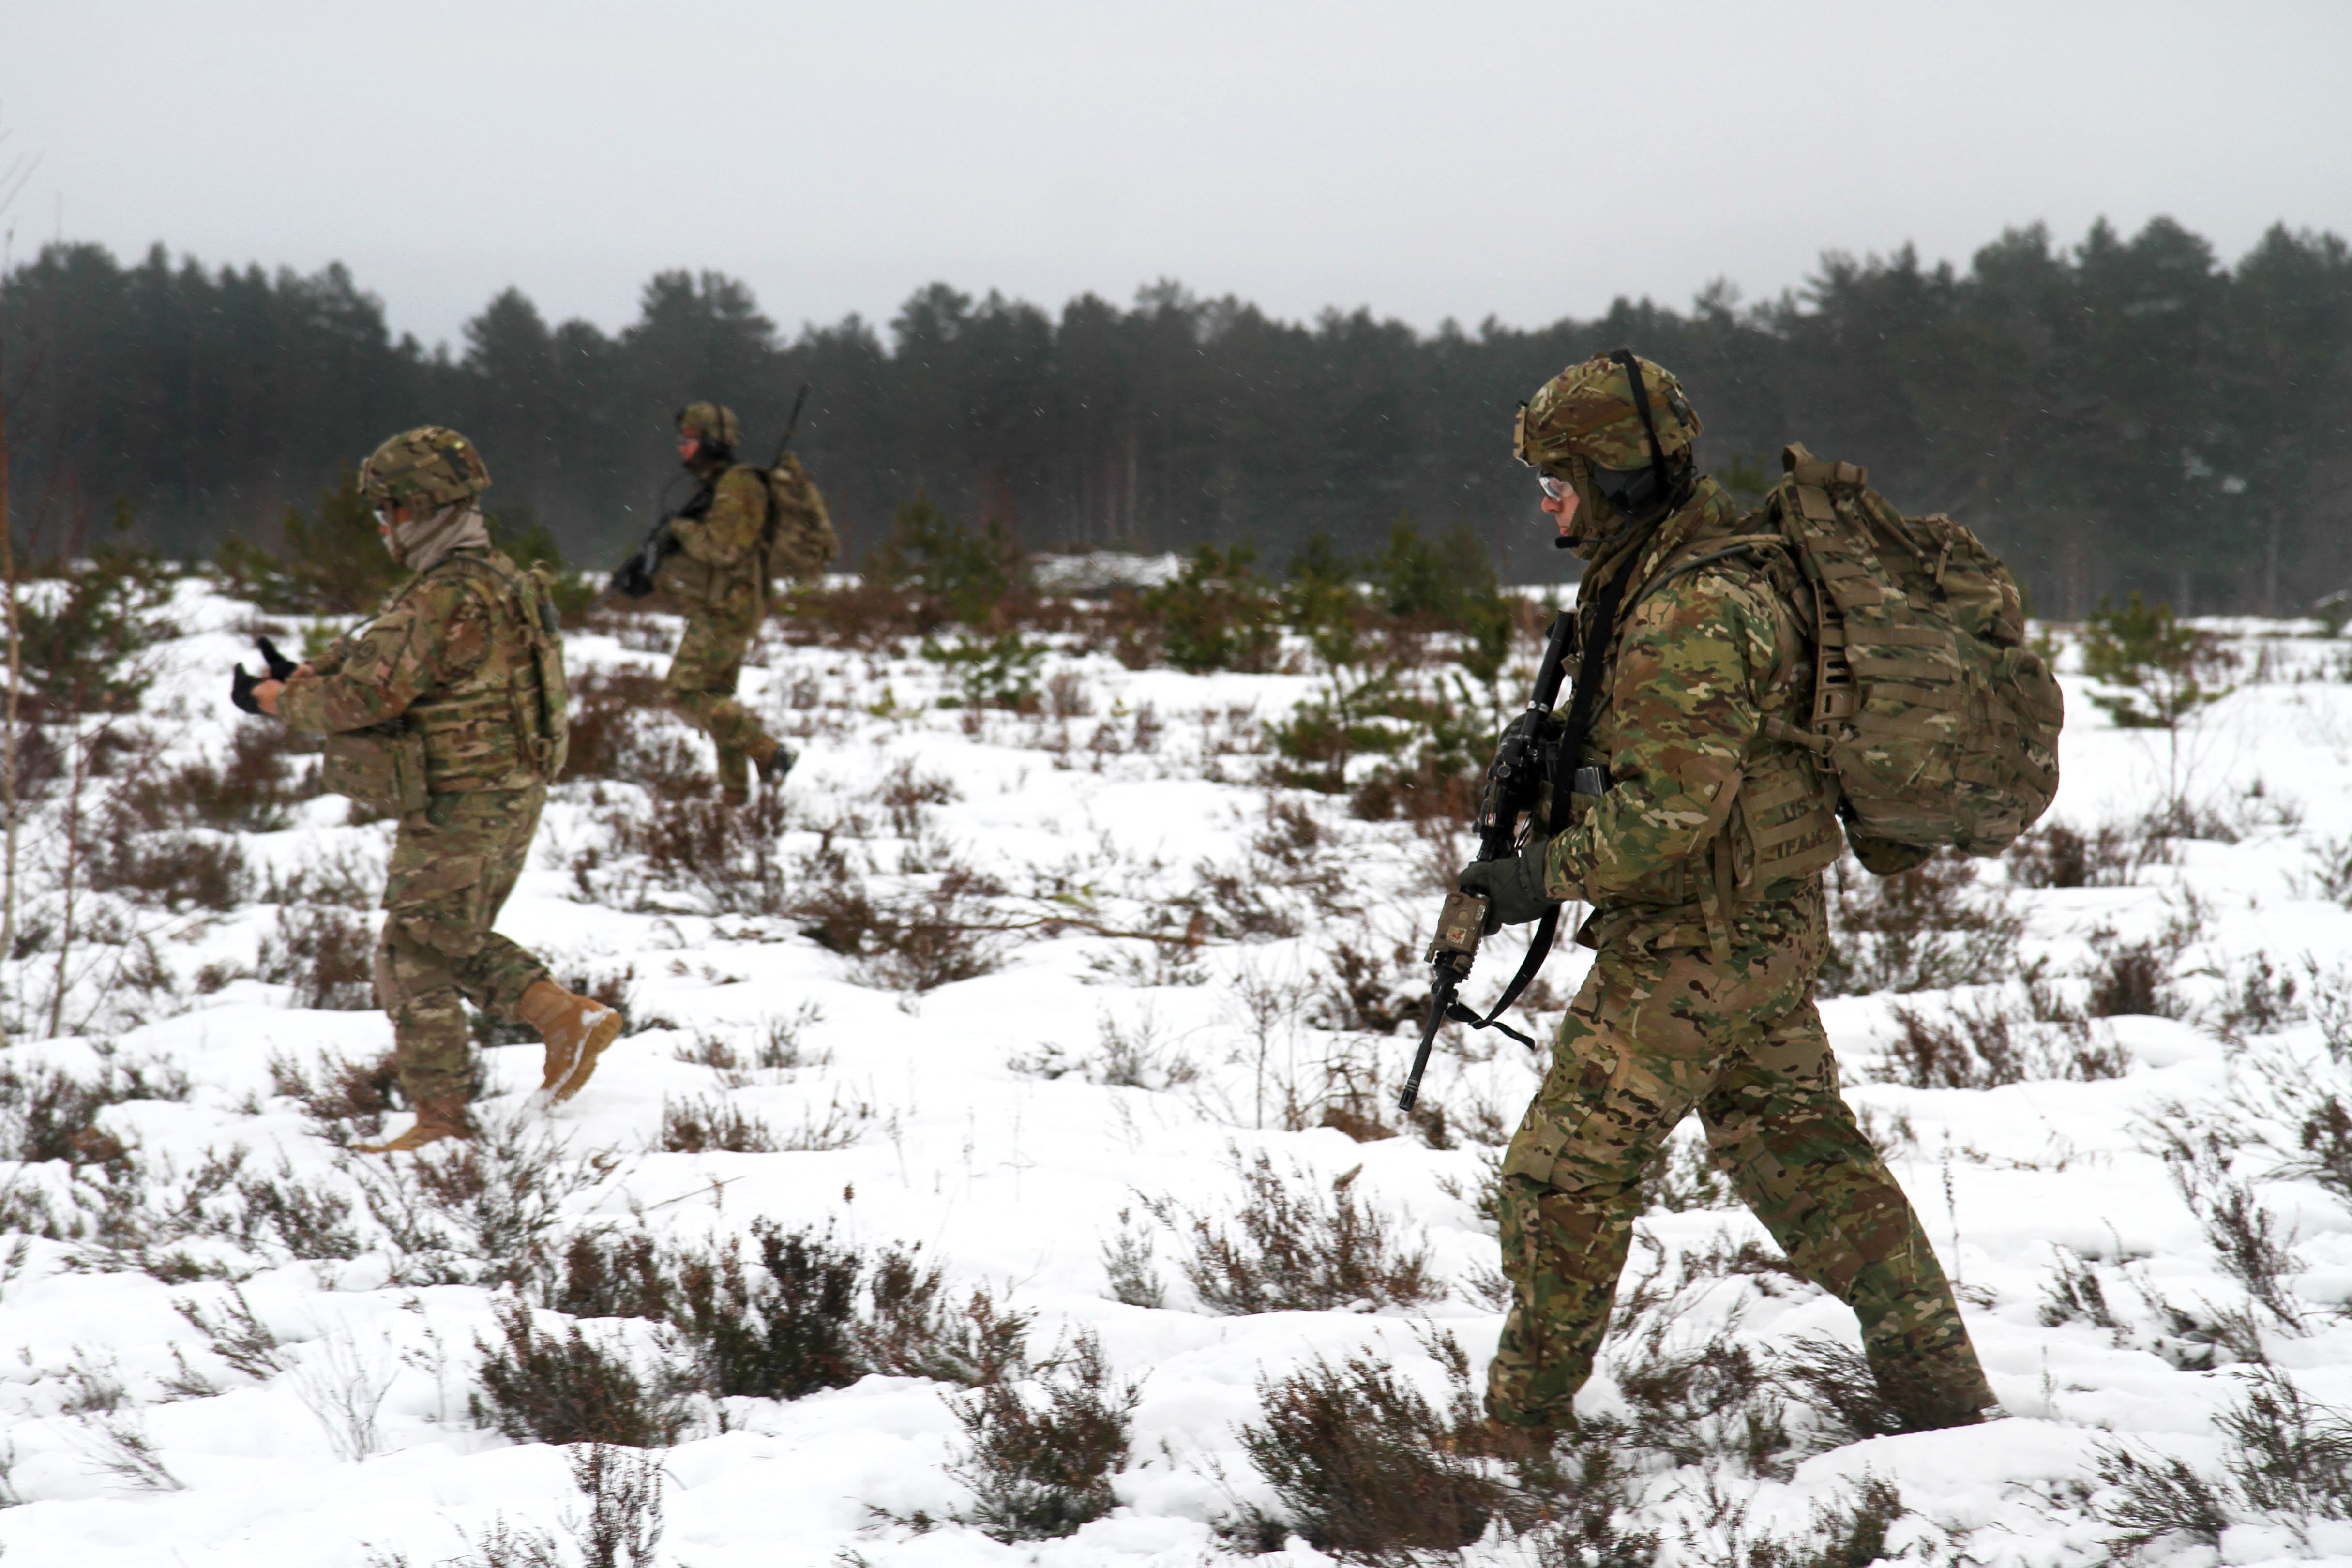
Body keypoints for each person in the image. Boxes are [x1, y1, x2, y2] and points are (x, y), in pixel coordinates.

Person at [1457, 353, 1996, 1445]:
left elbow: (1665, 819)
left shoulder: (1691, 604)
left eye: (1558, 481)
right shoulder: (1691, 568)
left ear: (1613, 478)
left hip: (1693, 945)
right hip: (1765, 925)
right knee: (1806, 1163)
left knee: (1563, 1180)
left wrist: (1527, 880)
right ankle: (1948, 1402)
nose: (1547, 505)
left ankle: (1513, 1439)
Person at [241, 426, 625, 1151]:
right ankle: (563, 1019)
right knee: (445, 936)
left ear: (419, 508)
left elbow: (367, 698)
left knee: (410, 953)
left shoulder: (445, 593)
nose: (384, 527)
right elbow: (386, 659)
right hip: (511, 791)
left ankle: (441, 1125)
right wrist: (309, 673)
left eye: (388, 511)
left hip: (464, 798)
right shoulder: (499, 576)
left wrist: (277, 702)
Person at [652, 401, 835, 805]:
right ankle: (735, 798)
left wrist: (679, 530)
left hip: (729, 607)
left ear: (712, 441)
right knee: (715, 697)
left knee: (682, 694)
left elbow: (726, 549)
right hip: (724, 603)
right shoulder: (718, 485)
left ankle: (770, 753)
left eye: (689, 440)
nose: (681, 448)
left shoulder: (738, 485)